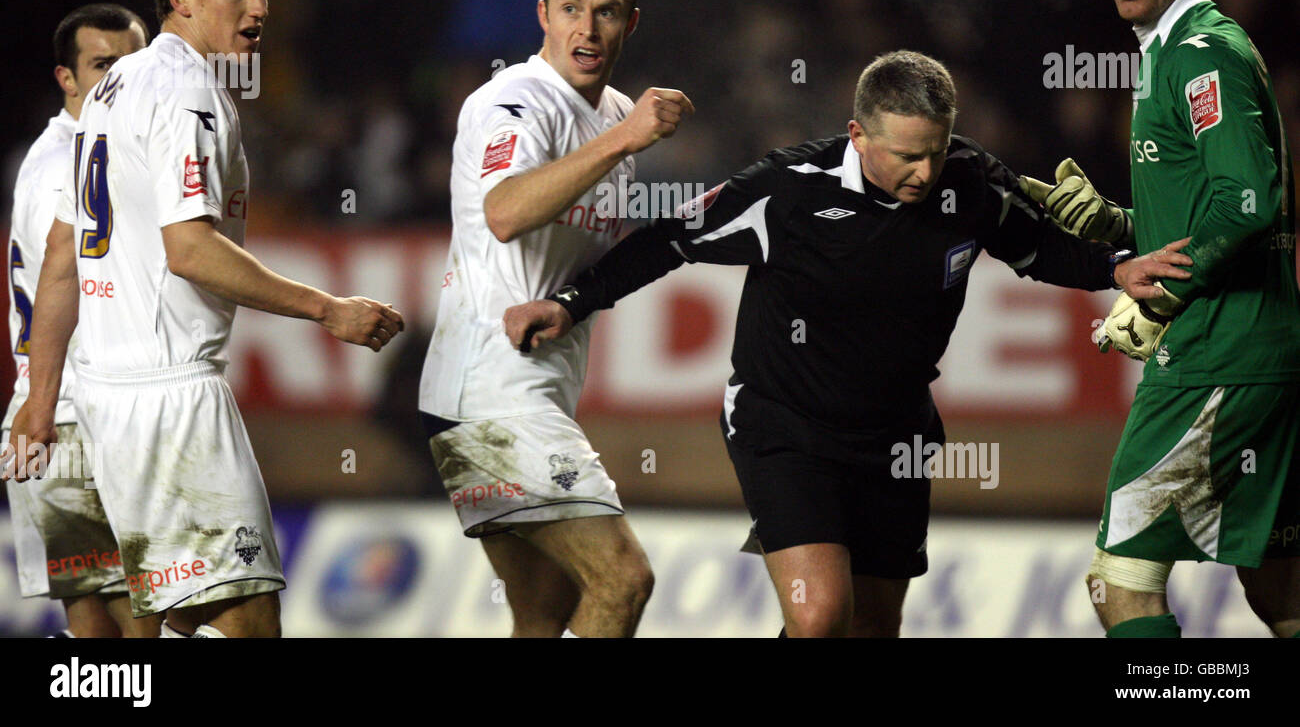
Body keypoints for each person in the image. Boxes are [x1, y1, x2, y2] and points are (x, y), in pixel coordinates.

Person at [505, 49, 1188, 637]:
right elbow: (669, 240)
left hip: (897, 434)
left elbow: (1035, 251)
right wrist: (571, 302)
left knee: (871, 627)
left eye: (938, 150)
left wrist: (1114, 269)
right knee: (819, 615)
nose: (925, 172)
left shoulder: (970, 182)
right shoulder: (787, 192)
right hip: (785, 424)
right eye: (907, 155)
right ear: (859, 134)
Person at [2, 0, 405, 638]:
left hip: (103, 403)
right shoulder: (189, 93)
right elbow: (190, 250)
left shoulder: (113, 88)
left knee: (148, 630)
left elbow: (62, 259)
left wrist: (41, 395)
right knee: (249, 622)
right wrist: (326, 309)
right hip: (170, 400)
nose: (258, 10)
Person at [1021, 0, 1300, 638]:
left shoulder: (1199, 54)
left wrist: (1169, 289)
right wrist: (1115, 225)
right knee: (1282, 591)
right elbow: (1209, 205)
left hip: (1215, 356)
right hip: (1261, 351)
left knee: (1123, 584)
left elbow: (1249, 199)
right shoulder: (1175, 52)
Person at [418, 0, 693, 637]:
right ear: (542, 14)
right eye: (571, 8)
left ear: (630, 23)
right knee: (622, 578)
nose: (587, 27)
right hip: (491, 391)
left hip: (527, 392)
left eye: (606, 11)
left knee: (543, 614)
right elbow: (505, 211)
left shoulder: (611, 114)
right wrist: (623, 141)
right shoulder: (513, 102)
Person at [2, 3, 159, 637]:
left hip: (51, 418)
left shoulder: (63, 154)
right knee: (147, 618)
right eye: (102, 66)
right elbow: (63, 284)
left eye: (132, 63)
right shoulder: (68, 167)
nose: (120, 79)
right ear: (66, 78)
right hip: (78, 418)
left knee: (96, 629)